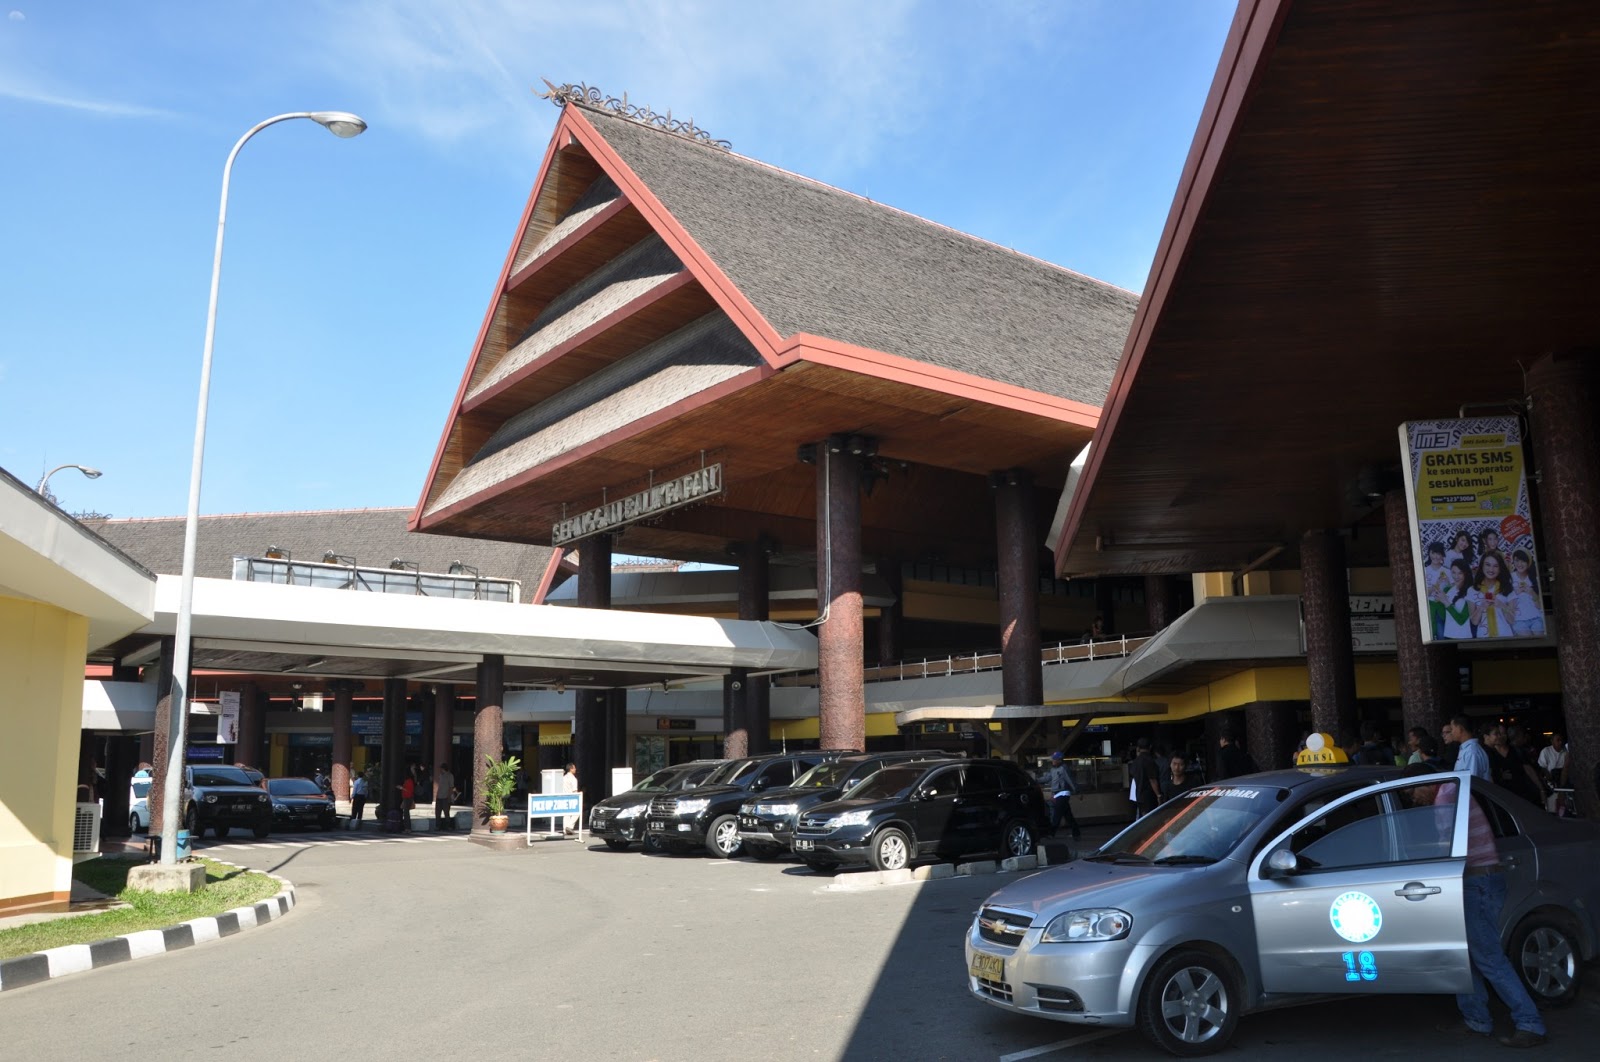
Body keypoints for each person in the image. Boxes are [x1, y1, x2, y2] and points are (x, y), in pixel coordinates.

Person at [1404, 765, 1547, 1048]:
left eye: (1412, 790)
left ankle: (1530, 1022)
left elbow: (1447, 847)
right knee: (1467, 956)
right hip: (1479, 881)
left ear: (1425, 782)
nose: (1412, 798)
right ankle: (1476, 1019)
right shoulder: (1452, 791)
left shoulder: (1446, 796)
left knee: (1489, 958)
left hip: (1477, 884)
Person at [1470, 551, 1515, 639]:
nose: (1491, 569)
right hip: (1482, 639)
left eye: (1495, 566)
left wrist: (1501, 605)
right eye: (1487, 565)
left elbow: (1512, 620)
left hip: (1506, 637)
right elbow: (1474, 622)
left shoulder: (1508, 588)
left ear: (1500, 568)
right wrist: (1481, 607)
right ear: (1482, 566)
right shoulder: (1472, 590)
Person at [1043, 751, 1080, 845]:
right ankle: (1076, 833)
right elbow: (1047, 778)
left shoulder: (1063, 769)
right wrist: (1035, 779)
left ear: (1059, 760)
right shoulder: (1053, 769)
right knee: (1068, 816)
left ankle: (1051, 833)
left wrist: (1077, 791)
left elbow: (1069, 779)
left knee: (1057, 814)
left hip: (1063, 793)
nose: (1053, 761)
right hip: (1058, 794)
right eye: (1053, 759)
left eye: (1054, 759)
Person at [1439, 559, 1476, 639]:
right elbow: (1443, 616)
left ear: (1466, 574)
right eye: (1453, 572)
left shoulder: (1471, 591)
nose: (1456, 576)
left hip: (1464, 637)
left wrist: (1446, 602)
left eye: (1460, 573)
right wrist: (1439, 601)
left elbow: (1461, 620)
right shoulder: (1447, 589)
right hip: (1447, 636)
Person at [1445, 716, 1490, 780]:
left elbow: (1471, 781)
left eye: (1452, 729)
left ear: (1460, 729)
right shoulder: (1467, 749)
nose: (1451, 733)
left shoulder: (1472, 752)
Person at [1129, 739, 1162, 817]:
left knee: (1143, 818)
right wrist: (1158, 795)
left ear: (1138, 748)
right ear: (1150, 747)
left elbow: (1132, 774)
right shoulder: (1150, 761)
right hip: (1149, 796)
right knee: (1151, 818)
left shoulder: (1136, 761)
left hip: (1139, 795)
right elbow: (1152, 779)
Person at [434, 762, 457, 830]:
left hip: (445, 796)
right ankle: (437, 826)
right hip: (439, 796)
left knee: (446, 812)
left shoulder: (450, 776)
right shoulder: (440, 775)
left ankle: (448, 826)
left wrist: (450, 796)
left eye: (441, 769)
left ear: (443, 768)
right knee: (437, 812)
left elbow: (451, 787)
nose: (440, 770)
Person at [561, 762, 579, 833]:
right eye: (574, 768)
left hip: (564, 798)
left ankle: (565, 829)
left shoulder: (563, 777)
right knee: (577, 813)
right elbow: (575, 791)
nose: (575, 769)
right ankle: (569, 826)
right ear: (571, 769)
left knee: (566, 814)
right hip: (572, 798)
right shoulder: (573, 779)